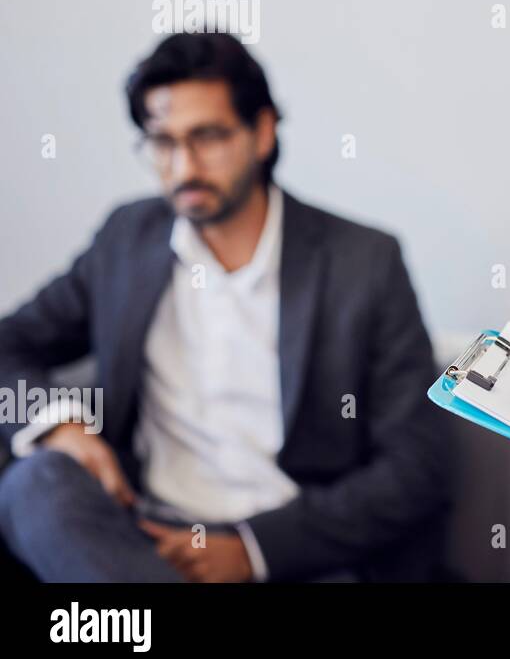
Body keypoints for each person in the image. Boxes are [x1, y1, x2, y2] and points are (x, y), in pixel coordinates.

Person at [0, 32, 453, 582]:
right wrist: (60, 426)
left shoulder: (364, 262)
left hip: (295, 554)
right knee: (37, 483)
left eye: (207, 137)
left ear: (262, 133)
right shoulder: (128, 239)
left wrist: (253, 550)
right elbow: (9, 343)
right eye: (162, 142)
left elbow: (418, 463)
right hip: (143, 543)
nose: (183, 166)